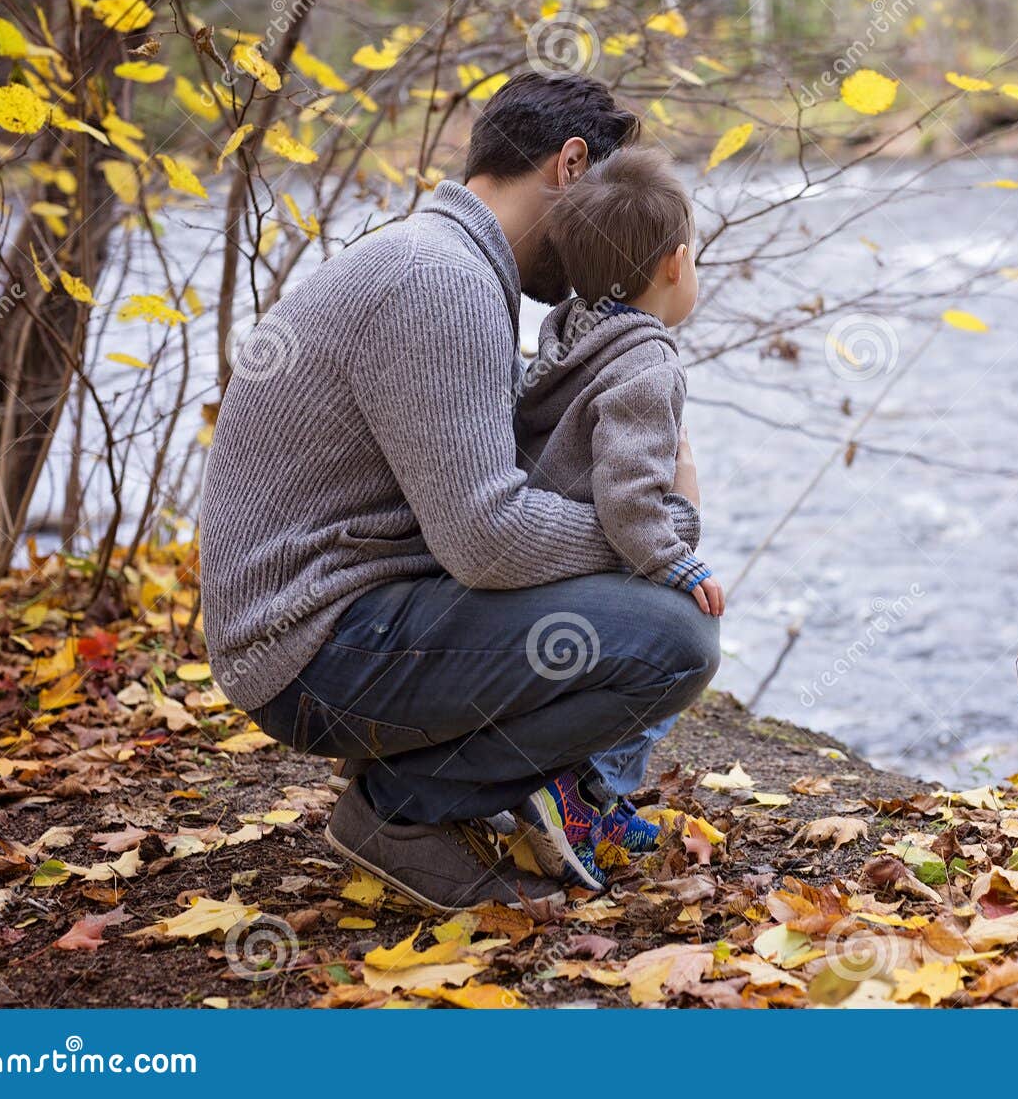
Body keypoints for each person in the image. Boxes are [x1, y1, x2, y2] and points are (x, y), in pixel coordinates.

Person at [198, 72, 720, 911]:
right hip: (312, 642)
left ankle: (459, 778)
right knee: (674, 636)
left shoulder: (448, 266)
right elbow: (489, 536)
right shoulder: (437, 281)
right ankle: (406, 806)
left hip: (344, 617)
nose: (605, 248)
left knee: (647, 601)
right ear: (571, 165)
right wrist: (656, 534)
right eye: (604, 206)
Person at [511, 146, 725, 889]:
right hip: (579, 571)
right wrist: (674, 559)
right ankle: (586, 788)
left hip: (538, 560)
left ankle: (583, 788)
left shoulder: (570, 332)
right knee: (682, 630)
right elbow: (629, 496)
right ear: (675, 264)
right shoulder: (647, 364)